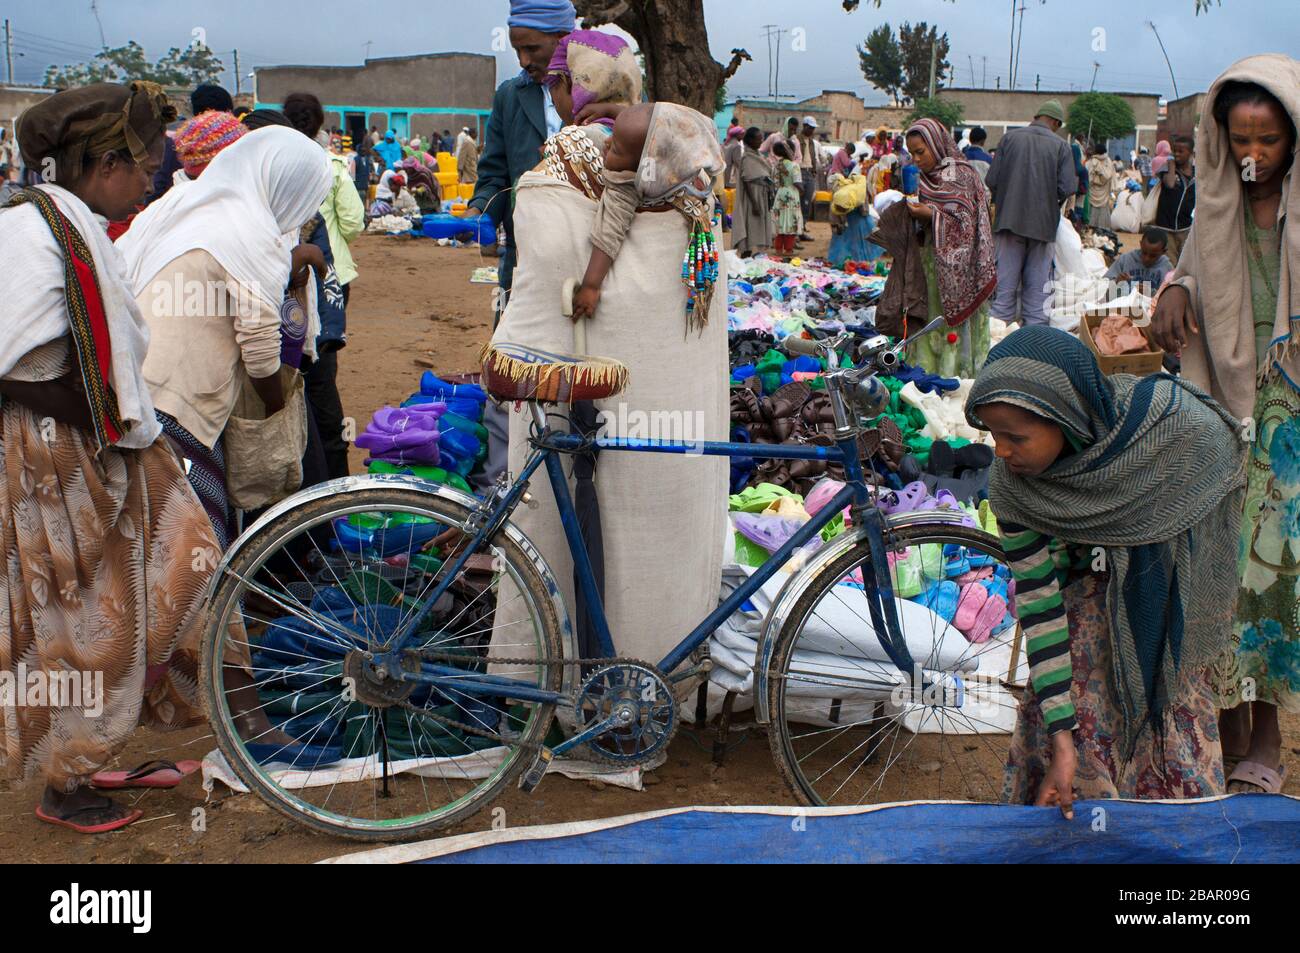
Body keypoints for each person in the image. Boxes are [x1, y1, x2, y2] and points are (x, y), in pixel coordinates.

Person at [0, 81, 263, 834]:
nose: (154, 175)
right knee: (84, 618)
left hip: (105, 439)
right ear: (108, 159)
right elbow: (11, 360)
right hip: (60, 452)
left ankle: (108, 744)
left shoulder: (69, 222)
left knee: (188, 565)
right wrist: (91, 415)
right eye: (146, 161)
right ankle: (67, 777)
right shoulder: (34, 232)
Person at [486, 99, 728, 670]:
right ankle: (577, 663)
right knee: (594, 506)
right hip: (603, 398)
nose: (608, 155)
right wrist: (593, 285)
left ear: (659, 163)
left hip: (651, 410)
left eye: (621, 149)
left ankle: (642, 655)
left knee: (654, 502)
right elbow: (610, 227)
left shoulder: (693, 192)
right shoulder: (620, 184)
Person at [967, 326, 1244, 811]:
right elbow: (1038, 604)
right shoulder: (1014, 488)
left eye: (1015, 437)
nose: (1002, 451)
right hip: (1080, 621)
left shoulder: (1162, 436)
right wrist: (1062, 736)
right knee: (1084, 729)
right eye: (992, 436)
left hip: (1168, 623)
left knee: (1170, 736)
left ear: (1069, 420)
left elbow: (1216, 451)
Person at [1151, 57, 1299, 795]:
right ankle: (1230, 727)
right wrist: (1175, 290)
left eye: (1268, 140)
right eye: (1240, 139)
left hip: (1292, 419)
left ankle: (1268, 730)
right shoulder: (1217, 203)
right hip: (1225, 414)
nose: (1252, 155)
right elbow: (1189, 268)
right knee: (1219, 572)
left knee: (1275, 578)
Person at [117, 128, 332, 545]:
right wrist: (276, 411)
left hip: (128, 385)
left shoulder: (185, 203)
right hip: (177, 407)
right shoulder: (252, 231)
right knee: (192, 546)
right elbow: (260, 351)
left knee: (143, 540)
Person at [468, 0, 575, 487]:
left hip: (586, 263)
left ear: (562, 37)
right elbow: (492, 171)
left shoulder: (597, 89)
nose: (525, 60)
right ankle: (502, 489)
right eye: (517, 49)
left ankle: (572, 479)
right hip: (526, 261)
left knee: (579, 374)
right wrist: (485, 214)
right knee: (510, 367)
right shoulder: (511, 96)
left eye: (532, 47)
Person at [283, 92, 363, 481]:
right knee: (319, 379)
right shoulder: (329, 165)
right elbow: (353, 220)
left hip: (289, 290)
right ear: (318, 124)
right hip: (327, 281)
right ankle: (331, 492)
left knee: (290, 384)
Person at [883, 118, 996, 377]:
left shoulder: (960, 174)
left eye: (920, 152)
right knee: (933, 316)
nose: (916, 160)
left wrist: (930, 215)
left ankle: (956, 372)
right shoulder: (930, 177)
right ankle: (928, 370)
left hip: (962, 269)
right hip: (934, 264)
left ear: (936, 144)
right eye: (912, 154)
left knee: (950, 324)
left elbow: (968, 224)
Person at [985, 99, 1077, 327]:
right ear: (1055, 122)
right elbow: (1067, 187)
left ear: (1037, 116)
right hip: (1043, 227)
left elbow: (992, 180)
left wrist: (1008, 198)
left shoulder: (1009, 139)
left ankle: (998, 338)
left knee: (1004, 289)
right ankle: (1034, 345)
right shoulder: (1061, 146)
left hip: (1008, 222)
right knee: (1037, 291)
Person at [149, 83, 233, 205]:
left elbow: (158, 186)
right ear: (229, 111)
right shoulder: (238, 142)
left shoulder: (176, 141)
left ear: (194, 110)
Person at [731, 126, 773, 256]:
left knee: (757, 227)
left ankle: (753, 255)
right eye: (758, 139)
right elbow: (748, 182)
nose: (761, 141)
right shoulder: (748, 158)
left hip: (761, 195)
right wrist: (755, 204)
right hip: (752, 198)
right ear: (750, 141)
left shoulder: (758, 155)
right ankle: (746, 254)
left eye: (762, 139)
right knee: (750, 227)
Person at [1154, 133, 1196, 265]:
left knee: (1184, 265)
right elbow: (1170, 184)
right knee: (1169, 264)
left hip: (1185, 228)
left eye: (1181, 151)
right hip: (1166, 228)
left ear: (1190, 153)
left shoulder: (1197, 174)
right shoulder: (1167, 169)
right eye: (1174, 151)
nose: (1177, 154)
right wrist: (1171, 164)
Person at [1105, 226, 1173, 294]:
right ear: (1141, 244)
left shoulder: (1167, 268)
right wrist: (1116, 282)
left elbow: (1169, 295)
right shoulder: (1125, 260)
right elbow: (1103, 285)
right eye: (1144, 252)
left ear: (1163, 252)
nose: (1147, 259)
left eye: (1153, 256)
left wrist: (1151, 293)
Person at [771, 140, 801, 256]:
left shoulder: (776, 165)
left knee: (780, 220)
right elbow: (797, 182)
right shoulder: (794, 166)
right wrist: (802, 191)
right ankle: (789, 249)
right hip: (792, 194)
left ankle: (778, 249)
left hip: (780, 193)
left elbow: (775, 181)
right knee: (791, 220)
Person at [1084, 140, 1117, 229]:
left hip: (1092, 193)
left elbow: (1087, 177)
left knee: (1091, 211)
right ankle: (1102, 228)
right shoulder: (1109, 161)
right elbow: (1111, 176)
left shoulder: (1091, 162)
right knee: (1103, 211)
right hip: (1104, 194)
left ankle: (1090, 227)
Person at [796, 116, 822, 226]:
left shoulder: (811, 142)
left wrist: (814, 170)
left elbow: (813, 157)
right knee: (798, 201)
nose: (812, 130)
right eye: (810, 128)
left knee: (807, 202)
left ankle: (803, 226)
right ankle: (797, 228)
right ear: (804, 126)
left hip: (809, 172)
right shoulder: (796, 139)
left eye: (813, 128)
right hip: (799, 171)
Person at [353, 137, 375, 206]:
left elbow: (370, 170)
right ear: (359, 151)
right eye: (362, 150)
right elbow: (352, 174)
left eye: (364, 150)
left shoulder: (367, 159)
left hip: (365, 185)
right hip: (358, 186)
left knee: (365, 201)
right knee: (359, 202)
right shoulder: (356, 159)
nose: (363, 151)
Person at [722, 124, 744, 189]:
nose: (743, 136)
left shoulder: (726, 143)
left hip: (723, 173)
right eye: (742, 134)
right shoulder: (737, 145)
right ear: (737, 135)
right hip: (730, 175)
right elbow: (738, 162)